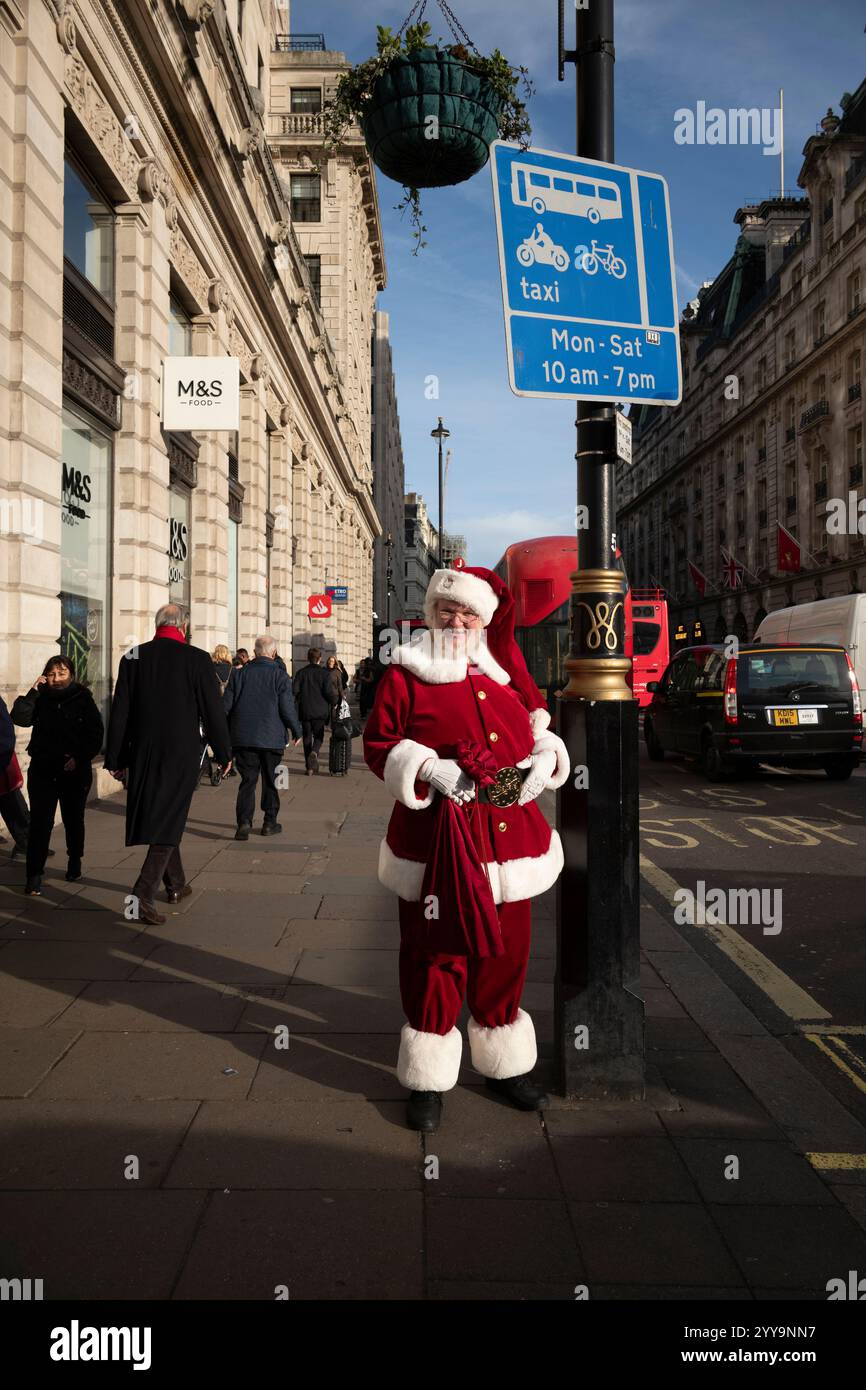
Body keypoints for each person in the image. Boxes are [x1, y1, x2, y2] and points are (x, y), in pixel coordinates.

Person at [363, 565, 570, 1134]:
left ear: (484, 620)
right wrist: (427, 766)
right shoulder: (405, 674)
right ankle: (428, 1077)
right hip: (437, 840)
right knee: (435, 954)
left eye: (468, 614)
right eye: (446, 612)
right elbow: (380, 746)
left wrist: (546, 761)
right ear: (431, 616)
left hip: (509, 839)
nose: (456, 621)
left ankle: (503, 1063)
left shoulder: (505, 673)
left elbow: (539, 729)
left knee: (507, 953)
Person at [105, 603, 232, 926]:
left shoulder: (133, 657)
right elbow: (212, 711)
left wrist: (116, 758)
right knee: (170, 817)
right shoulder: (197, 659)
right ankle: (142, 894)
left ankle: (176, 884)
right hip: (181, 753)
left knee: (164, 813)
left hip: (143, 752)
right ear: (184, 627)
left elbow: (120, 711)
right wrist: (224, 752)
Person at [11, 656, 104, 894]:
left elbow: (95, 734)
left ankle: (75, 860)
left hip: (74, 771)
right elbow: (19, 718)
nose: (56, 679)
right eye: (51, 674)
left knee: (74, 820)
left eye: (62, 674)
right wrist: (33, 691)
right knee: (41, 824)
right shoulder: (40, 698)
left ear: (71, 675)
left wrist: (80, 757)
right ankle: (34, 874)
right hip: (43, 769)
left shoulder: (83, 699)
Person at [223, 634, 302, 840]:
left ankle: (244, 823)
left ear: (255, 652)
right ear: (274, 653)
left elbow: (225, 707)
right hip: (271, 737)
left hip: (243, 737)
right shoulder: (280, 676)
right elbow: (287, 708)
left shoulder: (238, 675)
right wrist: (296, 729)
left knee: (247, 781)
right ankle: (269, 822)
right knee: (271, 780)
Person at [292, 647, 335, 775]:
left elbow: (295, 691)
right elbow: (329, 693)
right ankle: (315, 752)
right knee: (319, 736)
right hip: (320, 710)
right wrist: (334, 702)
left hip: (305, 710)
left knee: (306, 737)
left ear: (308, 658)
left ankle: (309, 767)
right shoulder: (324, 674)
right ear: (320, 659)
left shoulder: (301, 673)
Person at [0, 694, 31, 860]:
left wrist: (2, 760)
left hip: (2, 766)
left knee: (14, 806)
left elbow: (5, 733)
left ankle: (26, 843)